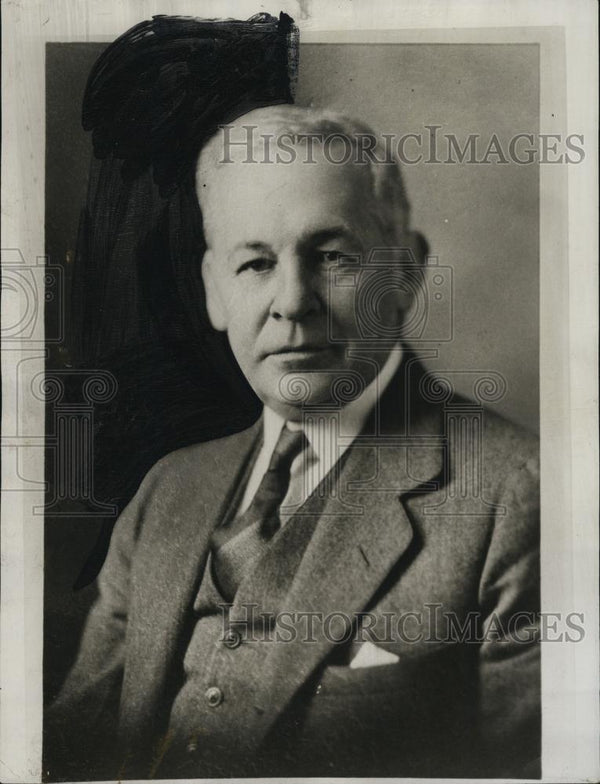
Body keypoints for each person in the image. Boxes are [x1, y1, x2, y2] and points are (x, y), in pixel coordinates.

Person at [46, 105, 540, 780]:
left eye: (331, 256)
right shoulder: (167, 489)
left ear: (406, 274)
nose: (291, 301)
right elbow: (76, 749)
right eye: (254, 264)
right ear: (214, 293)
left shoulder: (518, 494)